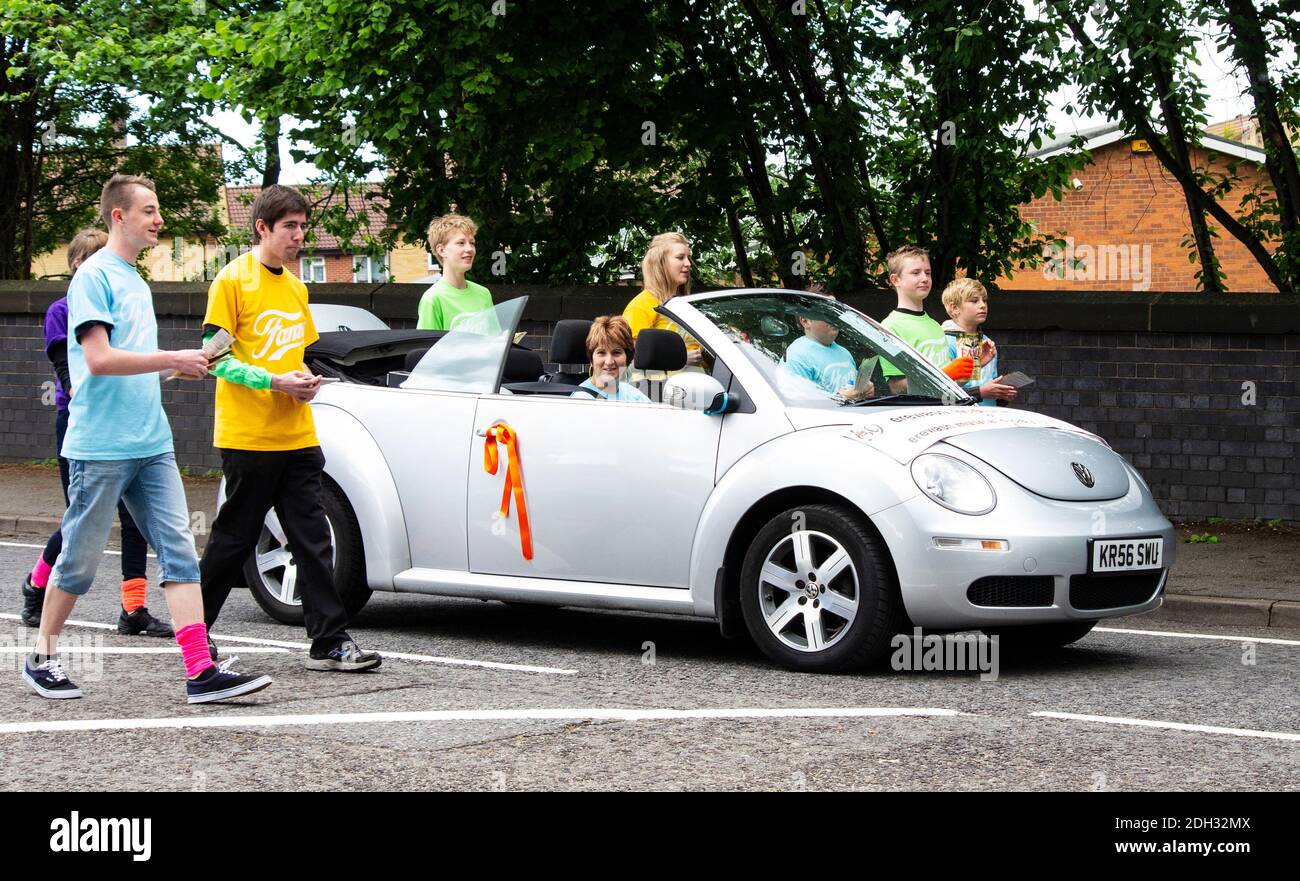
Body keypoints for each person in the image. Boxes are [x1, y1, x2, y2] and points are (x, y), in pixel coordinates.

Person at [22, 173, 271, 703]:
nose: (160, 219)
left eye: (158, 210)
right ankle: (42, 657)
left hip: (152, 443)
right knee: (79, 562)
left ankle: (200, 670)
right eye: (149, 211)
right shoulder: (93, 278)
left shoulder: (136, 280)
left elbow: (130, 366)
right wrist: (171, 357)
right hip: (100, 446)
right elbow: (98, 360)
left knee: (180, 553)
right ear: (119, 217)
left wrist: (178, 369)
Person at [199, 184, 381, 673]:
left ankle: (329, 641)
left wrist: (303, 379)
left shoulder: (296, 287)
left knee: (312, 538)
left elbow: (295, 354)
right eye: (290, 227)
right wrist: (273, 381)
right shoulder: (232, 281)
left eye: (303, 226)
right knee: (234, 539)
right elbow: (214, 360)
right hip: (248, 435)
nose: (300, 236)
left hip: (298, 433)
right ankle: (195, 634)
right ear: (262, 228)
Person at [20, 229, 171, 638]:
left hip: (128, 424)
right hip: (83, 422)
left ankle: (134, 608)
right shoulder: (61, 310)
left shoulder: (122, 299)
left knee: (135, 520)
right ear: (77, 267)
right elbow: (70, 374)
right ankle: (37, 585)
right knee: (83, 522)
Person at [879, 244, 973, 394]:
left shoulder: (935, 325)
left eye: (927, 273)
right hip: (918, 414)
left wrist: (973, 366)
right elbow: (896, 387)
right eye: (916, 273)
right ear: (895, 280)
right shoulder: (890, 327)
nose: (924, 278)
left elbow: (947, 387)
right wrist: (944, 375)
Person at [622, 232, 704, 371]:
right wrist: (680, 358)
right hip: (660, 390)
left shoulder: (682, 305)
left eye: (688, 258)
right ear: (660, 263)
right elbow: (631, 358)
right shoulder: (641, 305)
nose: (688, 264)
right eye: (680, 258)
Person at [940, 278, 1017, 407]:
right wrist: (981, 392)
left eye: (984, 300)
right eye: (974, 301)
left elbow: (988, 386)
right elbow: (942, 396)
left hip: (988, 418)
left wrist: (1002, 394)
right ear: (954, 308)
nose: (983, 305)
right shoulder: (944, 342)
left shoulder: (986, 342)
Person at [416, 213, 495, 333]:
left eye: (472, 243)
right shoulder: (433, 298)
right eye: (461, 243)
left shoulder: (484, 294)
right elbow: (427, 348)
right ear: (441, 250)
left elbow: (495, 340)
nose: (469, 249)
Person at [782, 307, 874, 401]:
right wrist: (839, 398)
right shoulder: (796, 356)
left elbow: (852, 389)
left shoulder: (844, 353)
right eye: (827, 313)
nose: (835, 317)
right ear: (805, 321)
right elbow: (795, 403)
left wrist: (865, 391)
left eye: (836, 312)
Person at [570, 316, 651, 402]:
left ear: (628, 358)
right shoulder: (581, 400)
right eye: (601, 353)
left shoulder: (635, 397)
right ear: (591, 359)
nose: (609, 362)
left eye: (616, 353)